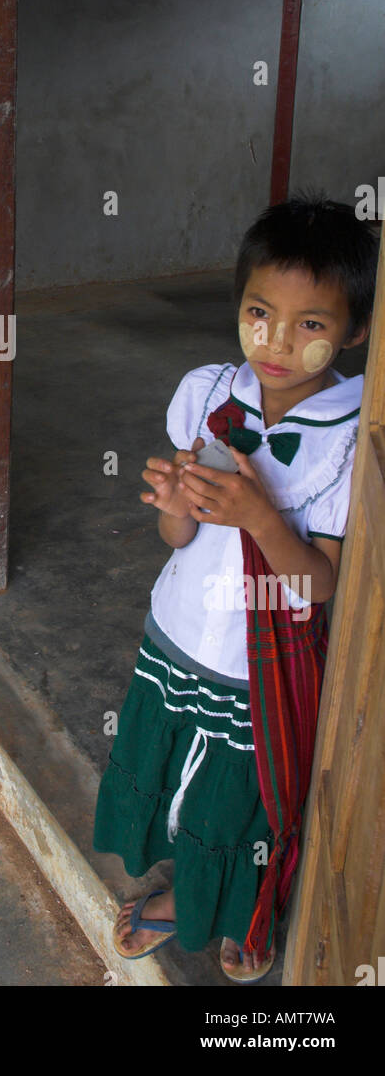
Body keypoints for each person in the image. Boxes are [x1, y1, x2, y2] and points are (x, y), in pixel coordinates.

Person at [92, 194, 379, 981]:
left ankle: (240, 903)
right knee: (176, 783)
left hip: (259, 662)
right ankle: (192, 893)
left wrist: (259, 514)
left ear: (354, 331)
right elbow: (175, 538)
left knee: (239, 803)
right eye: (259, 312)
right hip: (179, 632)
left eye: (311, 324)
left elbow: (317, 584)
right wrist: (175, 505)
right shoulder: (210, 392)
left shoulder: (351, 438)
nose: (276, 341)